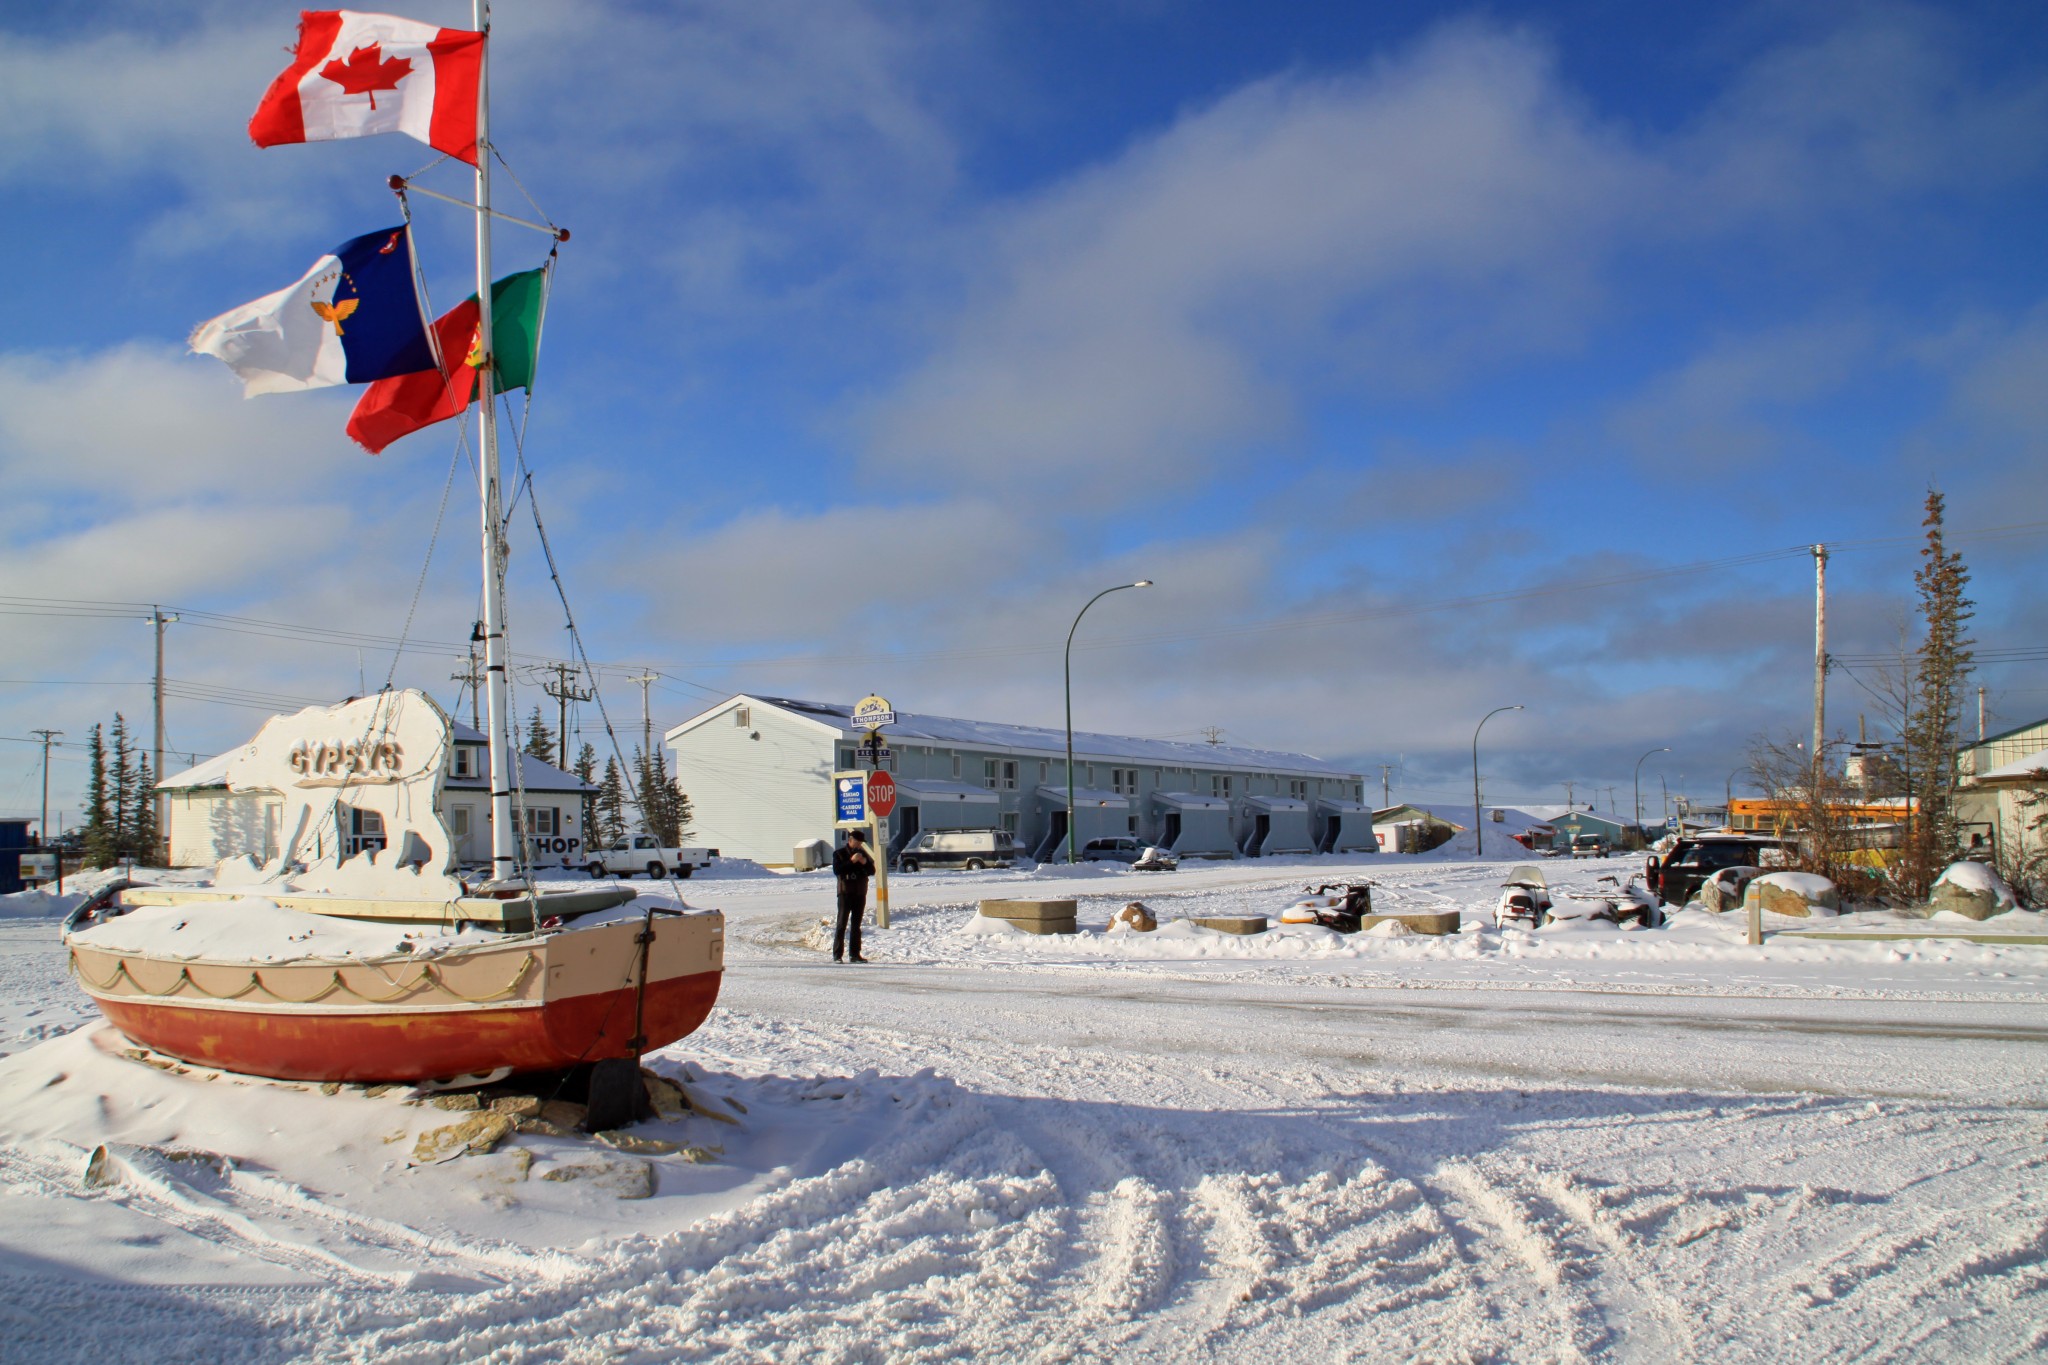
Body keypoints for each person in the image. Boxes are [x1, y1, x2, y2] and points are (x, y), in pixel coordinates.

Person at [831, 828, 875, 963]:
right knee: (841, 924)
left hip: (860, 892)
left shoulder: (863, 854)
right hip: (845, 892)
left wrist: (864, 863)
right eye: (858, 842)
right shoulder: (839, 853)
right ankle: (837, 954)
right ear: (850, 840)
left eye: (861, 843)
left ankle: (855, 954)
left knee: (856, 925)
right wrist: (851, 861)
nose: (859, 845)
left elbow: (872, 870)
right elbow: (837, 870)